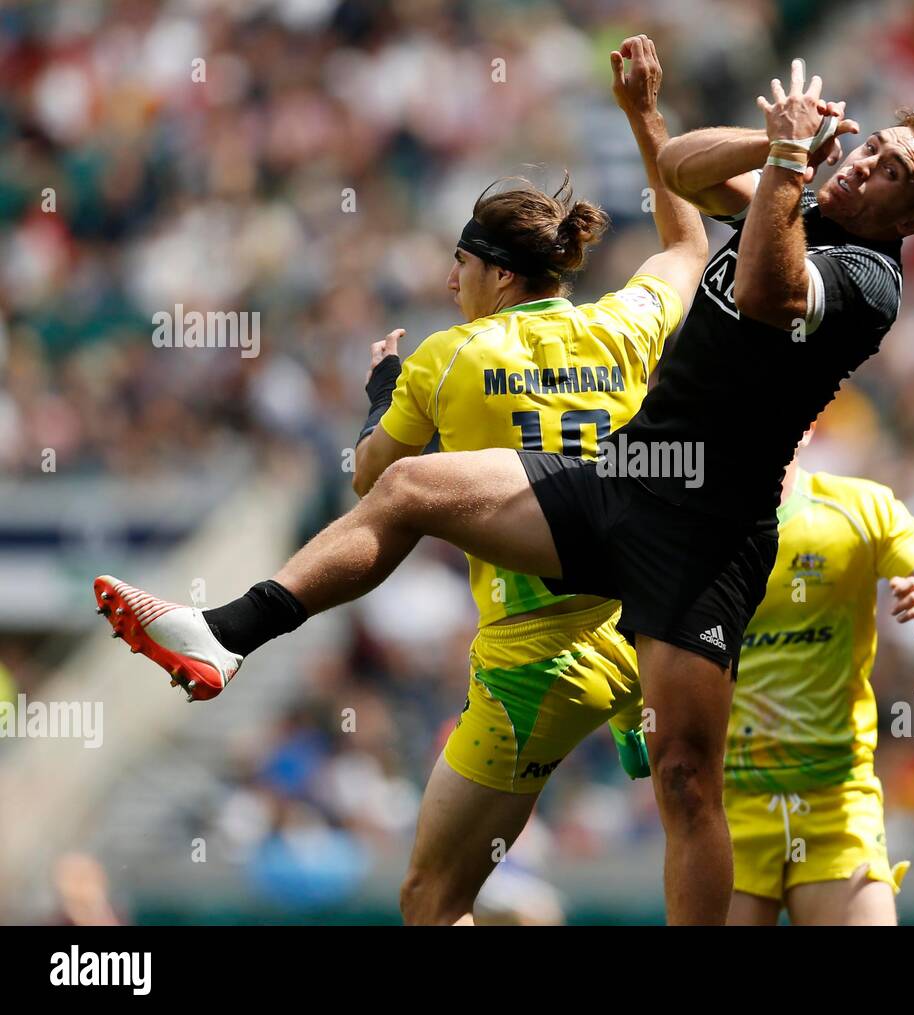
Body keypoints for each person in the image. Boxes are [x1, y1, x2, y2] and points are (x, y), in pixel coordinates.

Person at [94, 55, 914, 924]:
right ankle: (223, 635)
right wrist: (769, 140)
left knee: (687, 779)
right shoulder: (792, 203)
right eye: (874, 146)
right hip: (630, 474)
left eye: (892, 170)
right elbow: (681, 175)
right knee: (406, 488)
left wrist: (784, 163)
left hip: (707, 533)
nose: (865, 162)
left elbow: (764, 288)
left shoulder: (869, 281)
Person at [95, 35, 707, 926]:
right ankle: (632, 728)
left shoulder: (446, 357)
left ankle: (228, 631)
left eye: (458, 265)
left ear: (497, 273)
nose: (447, 280)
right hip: (640, 631)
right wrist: (645, 115)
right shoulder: (623, 324)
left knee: (430, 900)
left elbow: (371, 482)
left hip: (539, 654)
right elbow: (688, 241)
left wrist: (385, 390)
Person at [724, 439, 914, 925]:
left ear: (810, 423)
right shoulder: (684, 524)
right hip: (725, 806)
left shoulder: (861, 510)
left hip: (837, 801)